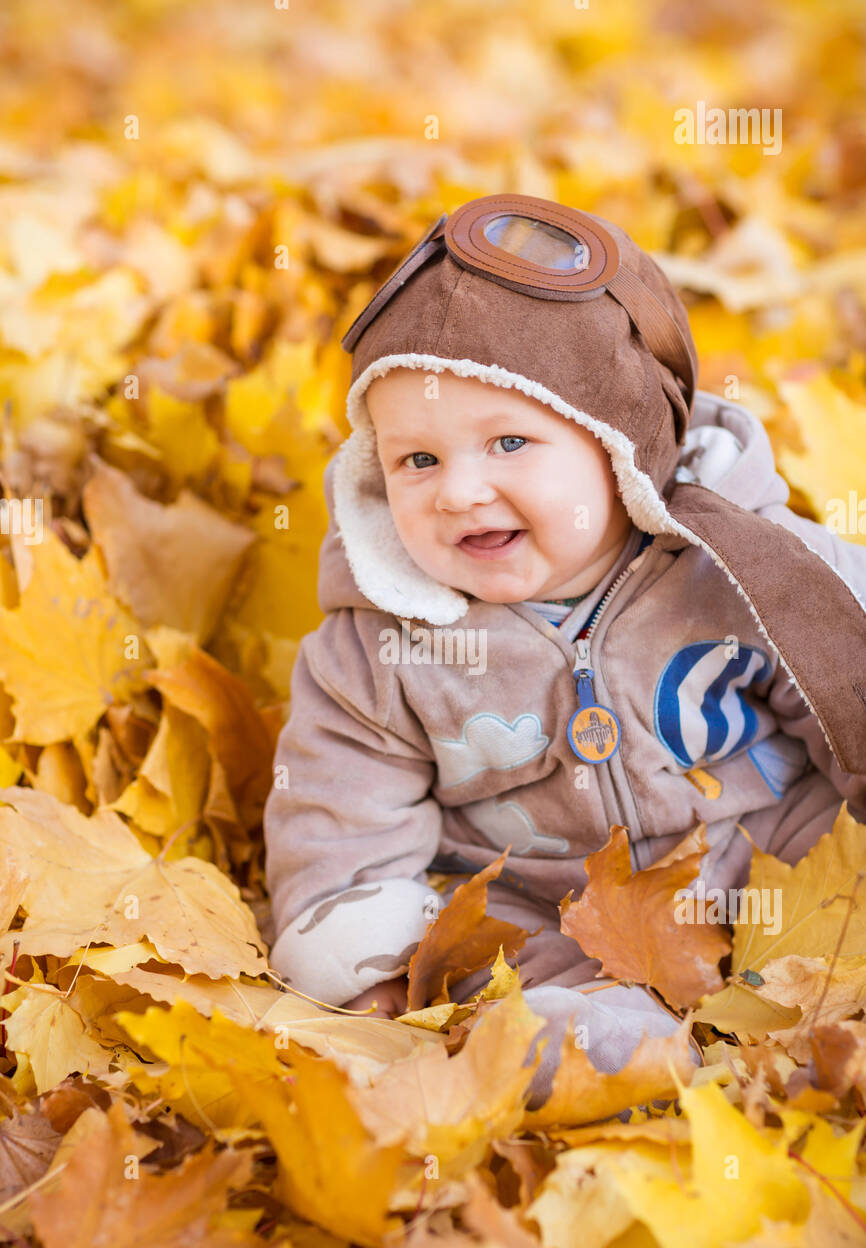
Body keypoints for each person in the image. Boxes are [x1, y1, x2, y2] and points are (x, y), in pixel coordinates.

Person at [262, 194, 866, 1105]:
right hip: (550, 897)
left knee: (842, 859)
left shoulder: (738, 562)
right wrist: (363, 952)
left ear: (619, 447)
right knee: (510, 966)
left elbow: (845, 671)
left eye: (509, 442)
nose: (460, 492)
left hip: (764, 839)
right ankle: (611, 1039)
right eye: (417, 461)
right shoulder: (380, 640)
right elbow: (338, 802)